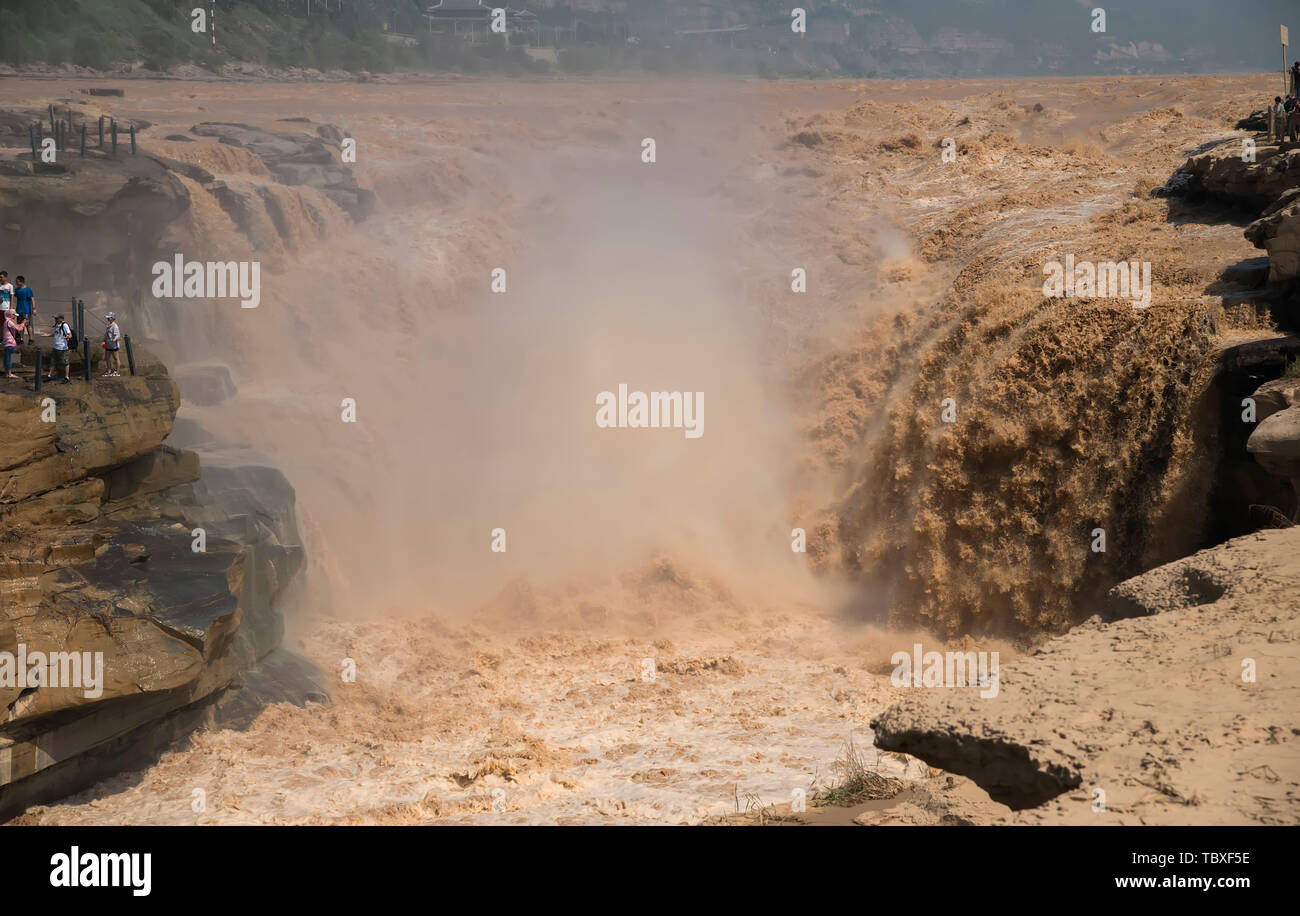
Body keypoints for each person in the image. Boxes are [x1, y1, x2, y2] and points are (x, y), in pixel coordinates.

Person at [41, 312, 73, 383]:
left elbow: (70, 334)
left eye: (57, 318)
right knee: (53, 362)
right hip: (56, 347)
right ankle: (49, 376)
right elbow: (56, 333)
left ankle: (67, 377)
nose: (55, 319)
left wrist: (68, 336)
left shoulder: (64, 325)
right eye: (55, 318)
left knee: (65, 362)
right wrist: (47, 335)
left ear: (61, 318)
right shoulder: (57, 325)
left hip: (63, 348)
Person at [2, 309, 25, 380]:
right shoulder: (9, 322)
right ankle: (9, 374)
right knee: (9, 358)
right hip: (10, 343)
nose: (14, 317)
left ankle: (7, 372)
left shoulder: (6, 322)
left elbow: (15, 326)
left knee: (7, 358)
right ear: (10, 315)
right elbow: (19, 329)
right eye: (13, 315)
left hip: (6, 343)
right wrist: (23, 323)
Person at [12, 276, 34, 343]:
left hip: (26, 310)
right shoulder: (17, 290)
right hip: (19, 310)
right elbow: (12, 295)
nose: (16, 283)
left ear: (21, 282)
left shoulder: (27, 290)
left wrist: (34, 308)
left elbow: (32, 299)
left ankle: (31, 339)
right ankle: (21, 339)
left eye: (17, 281)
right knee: (20, 325)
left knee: (28, 325)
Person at [102, 311, 122, 377]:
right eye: (108, 317)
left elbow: (118, 335)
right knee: (107, 357)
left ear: (112, 318)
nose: (108, 318)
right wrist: (104, 341)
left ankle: (117, 371)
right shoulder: (108, 325)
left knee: (116, 358)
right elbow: (106, 334)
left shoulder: (115, 326)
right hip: (108, 344)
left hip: (114, 345)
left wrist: (115, 339)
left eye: (109, 317)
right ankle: (109, 371)